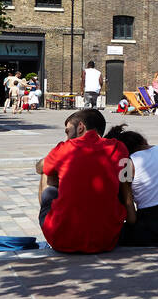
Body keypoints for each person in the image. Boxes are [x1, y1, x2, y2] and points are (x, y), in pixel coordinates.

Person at [35, 108, 134, 255]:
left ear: (80, 127)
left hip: (62, 240)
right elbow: (126, 179)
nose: (67, 137)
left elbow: (39, 167)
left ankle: (57, 223)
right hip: (106, 239)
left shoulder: (65, 148)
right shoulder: (118, 148)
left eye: (68, 131)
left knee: (47, 172)